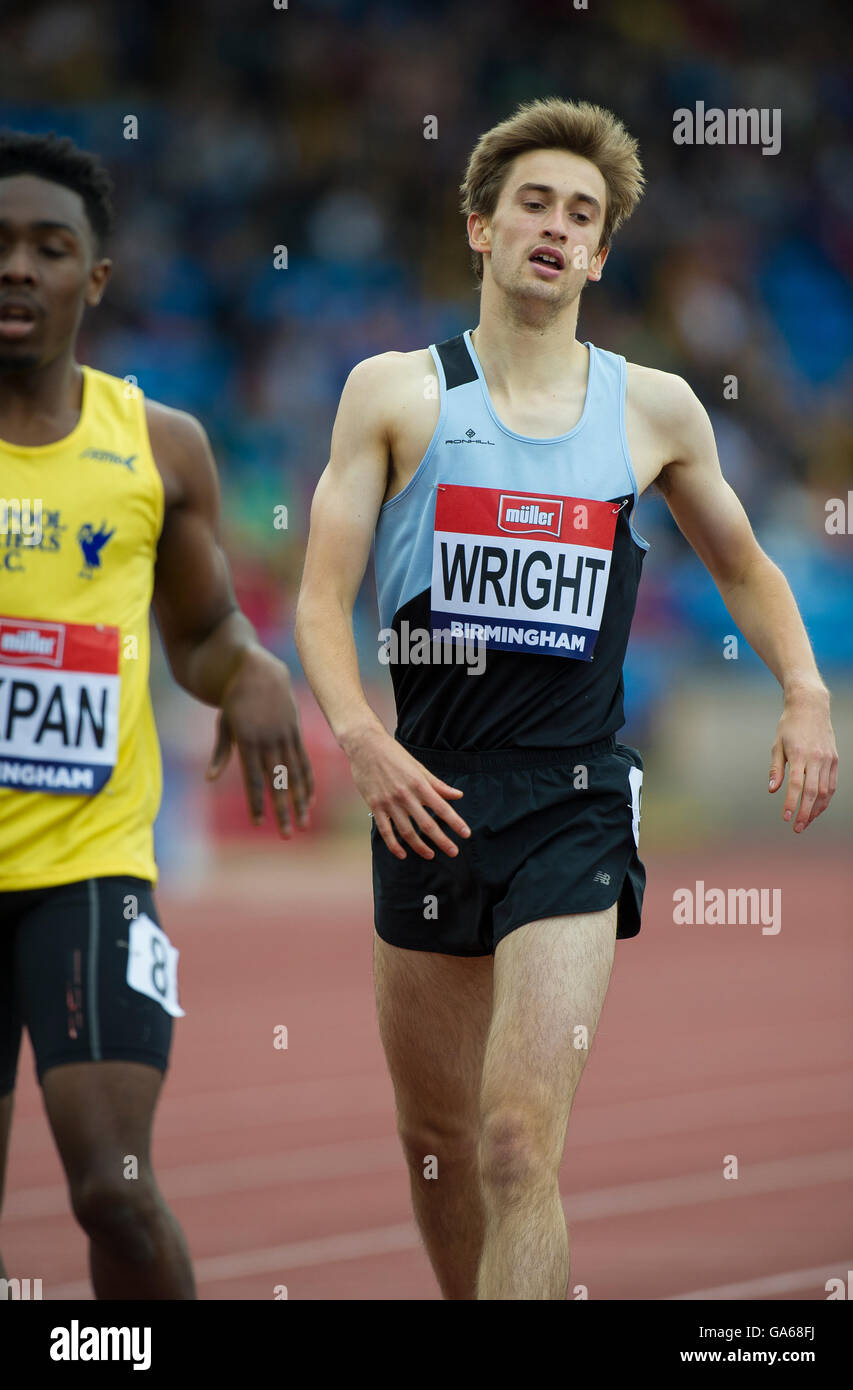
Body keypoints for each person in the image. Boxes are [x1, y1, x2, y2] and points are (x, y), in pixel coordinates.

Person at [294, 97, 838, 1300]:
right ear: (480, 228)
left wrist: (803, 690)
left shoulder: (651, 410)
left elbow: (745, 564)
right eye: (533, 203)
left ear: (599, 255)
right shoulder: (394, 395)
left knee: (511, 1140)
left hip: (575, 797)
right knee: (437, 1149)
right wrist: (360, 738)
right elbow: (322, 602)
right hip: (424, 796)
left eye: (580, 215)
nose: (555, 226)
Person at [0, 131, 313, 1300]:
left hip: (88, 867)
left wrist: (254, 672)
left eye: (48, 247)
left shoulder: (157, 445)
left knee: (116, 1192)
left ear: (96, 277)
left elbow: (202, 634)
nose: (17, 268)